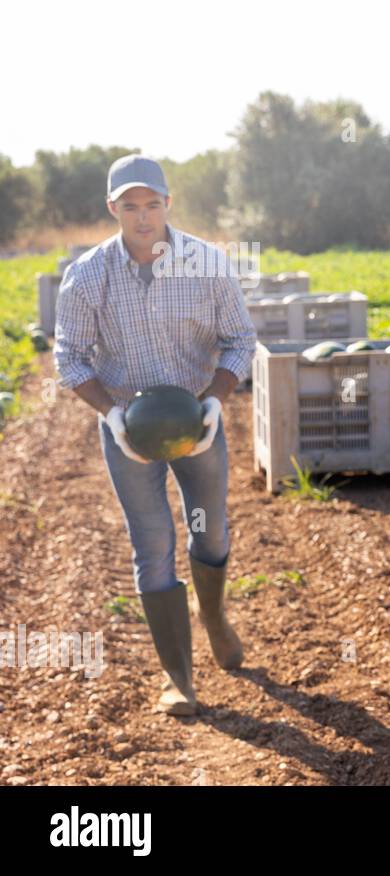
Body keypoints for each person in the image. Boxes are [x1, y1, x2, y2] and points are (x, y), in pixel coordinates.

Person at [53, 155, 257, 715]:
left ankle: (212, 615)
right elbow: (68, 357)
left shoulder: (207, 264)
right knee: (152, 546)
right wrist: (110, 415)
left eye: (152, 205)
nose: (142, 218)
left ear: (168, 204)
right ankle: (179, 679)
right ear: (112, 208)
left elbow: (239, 340)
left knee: (209, 533)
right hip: (128, 433)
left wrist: (215, 401)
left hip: (196, 423)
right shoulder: (89, 274)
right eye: (129, 206)